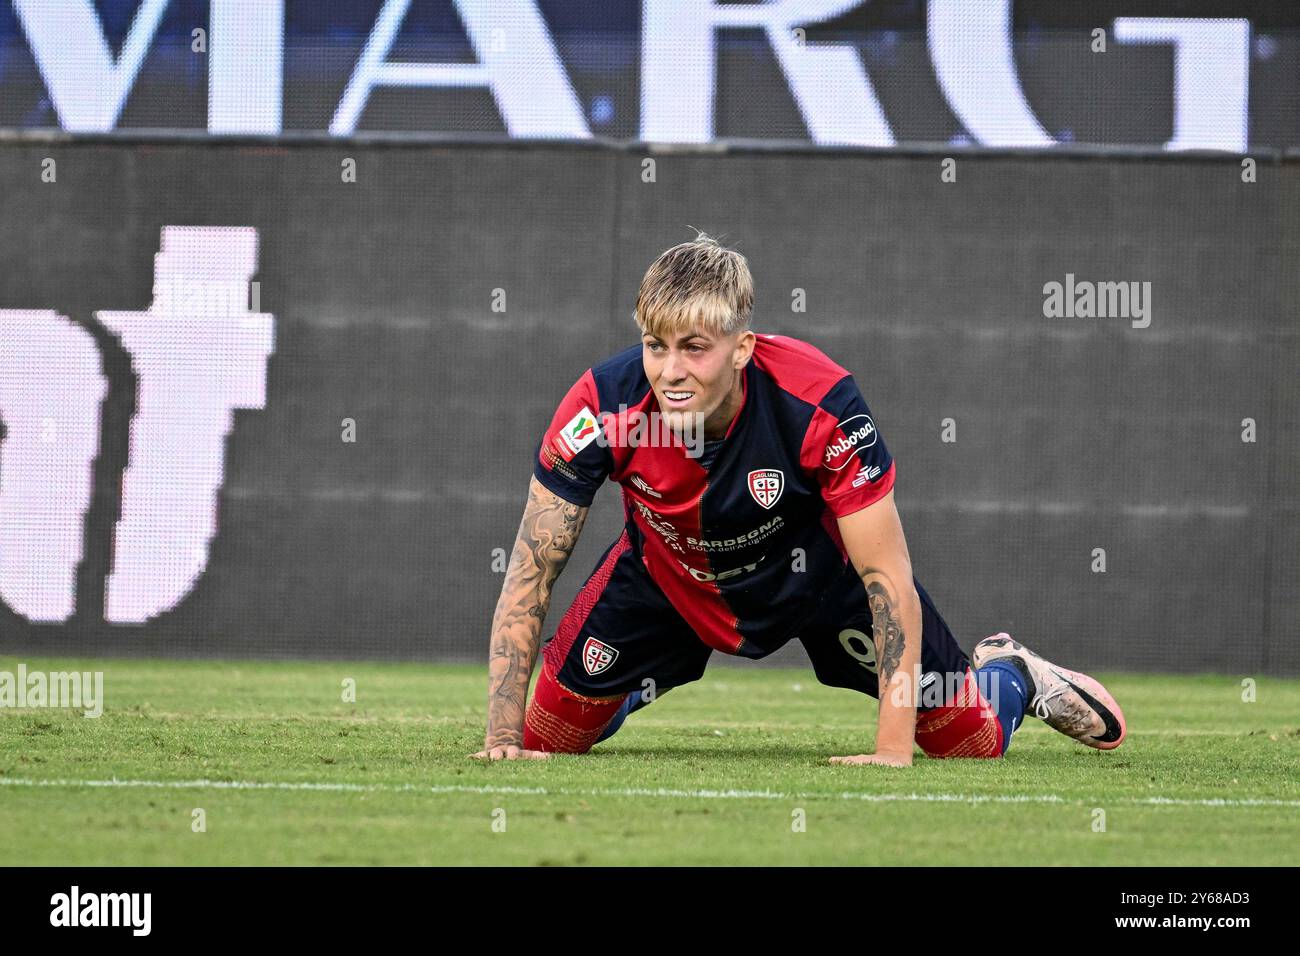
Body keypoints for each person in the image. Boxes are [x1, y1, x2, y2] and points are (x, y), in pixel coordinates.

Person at [473, 232, 1125, 765]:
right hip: (667, 581)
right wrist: (501, 742)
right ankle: (640, 679)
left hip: (818, 581)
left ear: (743, 349)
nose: (671, 372)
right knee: (548, 740)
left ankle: (1012, 673)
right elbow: (531, 571)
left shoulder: (821, 403)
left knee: (970, 745)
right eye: (656, 346)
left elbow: (885, 577)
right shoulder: (599, 409)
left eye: (695, 348)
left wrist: (891, 753)